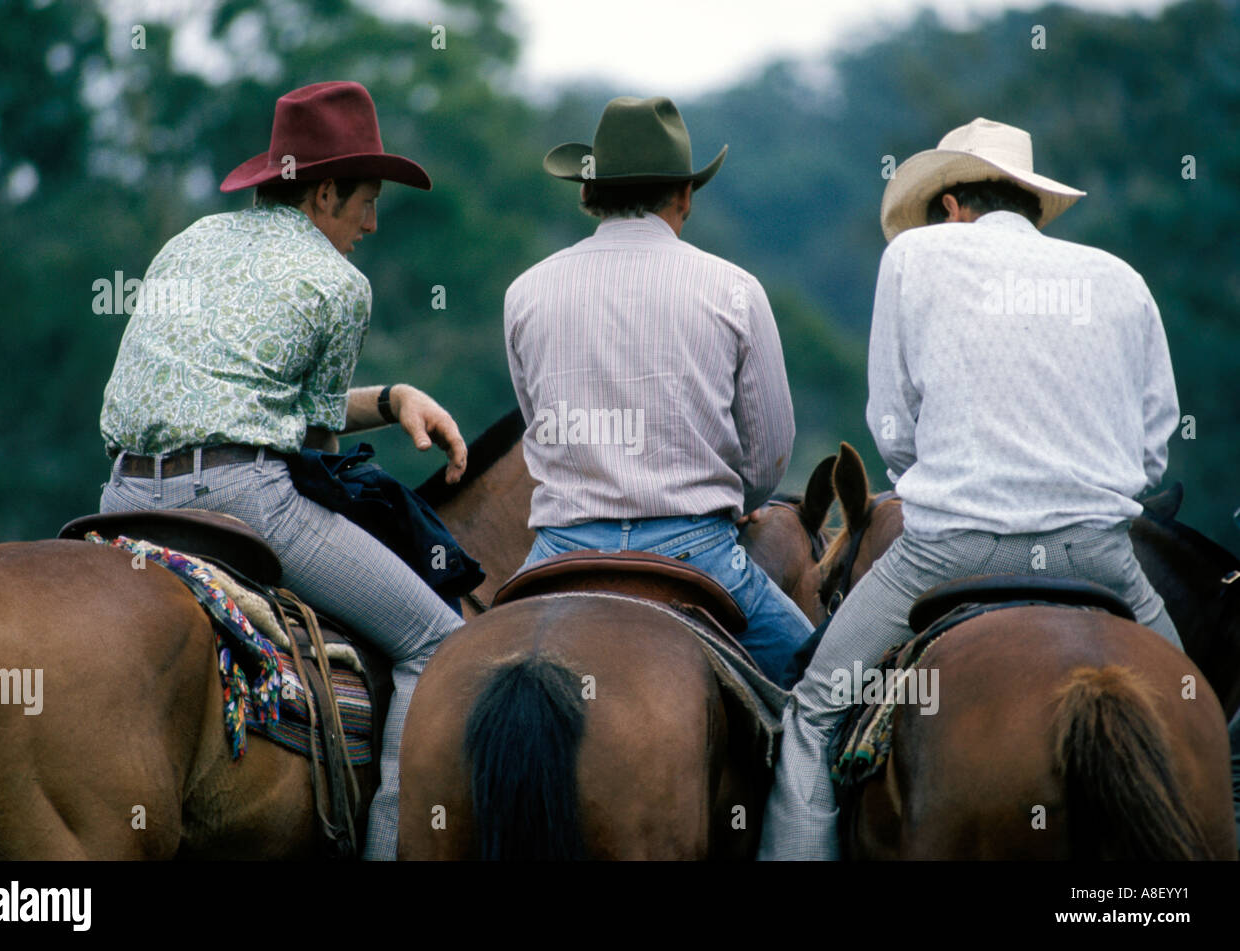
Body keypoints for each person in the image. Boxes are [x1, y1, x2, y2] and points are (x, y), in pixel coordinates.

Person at [759, 117, 1184, 859]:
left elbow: (894, 429)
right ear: (1030, 203)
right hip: (1098, 555)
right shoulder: (1120, 278)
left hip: (949, 551)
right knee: (1193, 704)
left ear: (952, 205)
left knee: (816, 709)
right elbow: (1153, 454)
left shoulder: (913, 255)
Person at [97, 81, 467, 861]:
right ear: (325, 192)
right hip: (242, 501)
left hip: (121, 495)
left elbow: (259, 401)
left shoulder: (192, 240)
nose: (371, 224)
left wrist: (393, 398)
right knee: (438, 643)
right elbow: (317, 455)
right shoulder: (339, 284)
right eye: (367, 202)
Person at [503, 96, 815, 688]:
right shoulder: (736, 290)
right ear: (685, 195)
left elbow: (537, 424)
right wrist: (737, 495)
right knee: (826, 687)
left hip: (561, 553)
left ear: (588, 193)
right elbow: (771, 453)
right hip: (699, 553)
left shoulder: (525, 292)